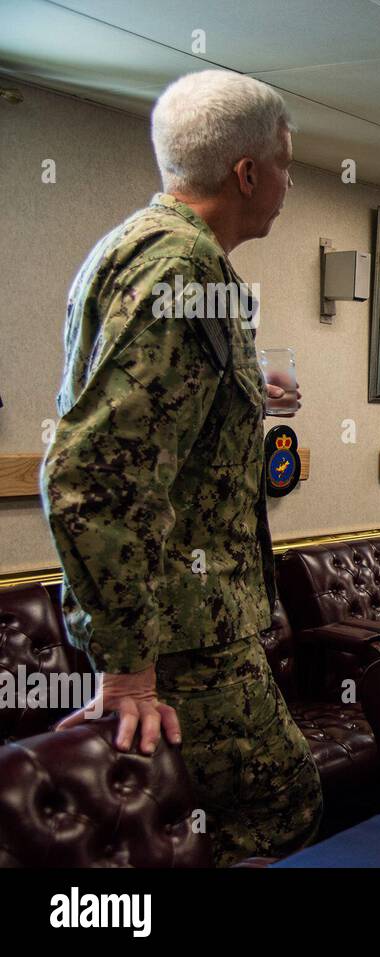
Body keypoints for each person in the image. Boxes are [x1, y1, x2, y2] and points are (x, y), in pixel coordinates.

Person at [41, 70, 321, 866]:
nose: (290, 182)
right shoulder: (179, 266)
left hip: (193, 628)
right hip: (182, 641)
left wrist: (244, 386)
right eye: (287, 164)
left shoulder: (152, 252)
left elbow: (154, 423)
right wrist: (129, 666)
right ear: (248, 173)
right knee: (279, 807)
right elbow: (92, 472)